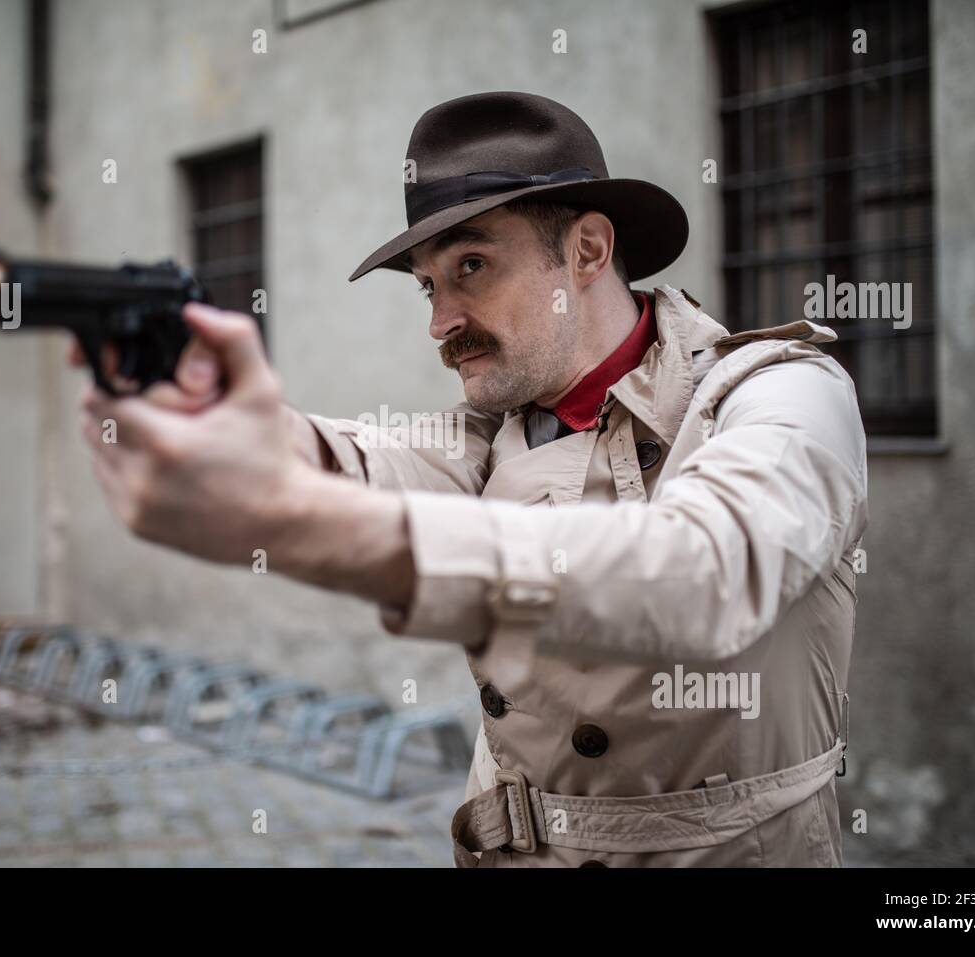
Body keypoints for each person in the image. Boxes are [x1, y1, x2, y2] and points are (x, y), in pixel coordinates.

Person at [73, 91, 868, 867]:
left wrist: (306, 522)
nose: (440, 322)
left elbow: (705, 573)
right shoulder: (492, 433)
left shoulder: (782, 392)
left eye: (473, 267)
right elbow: (351, 460)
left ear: (587, 251)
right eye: (429, 285)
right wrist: (216, 412)